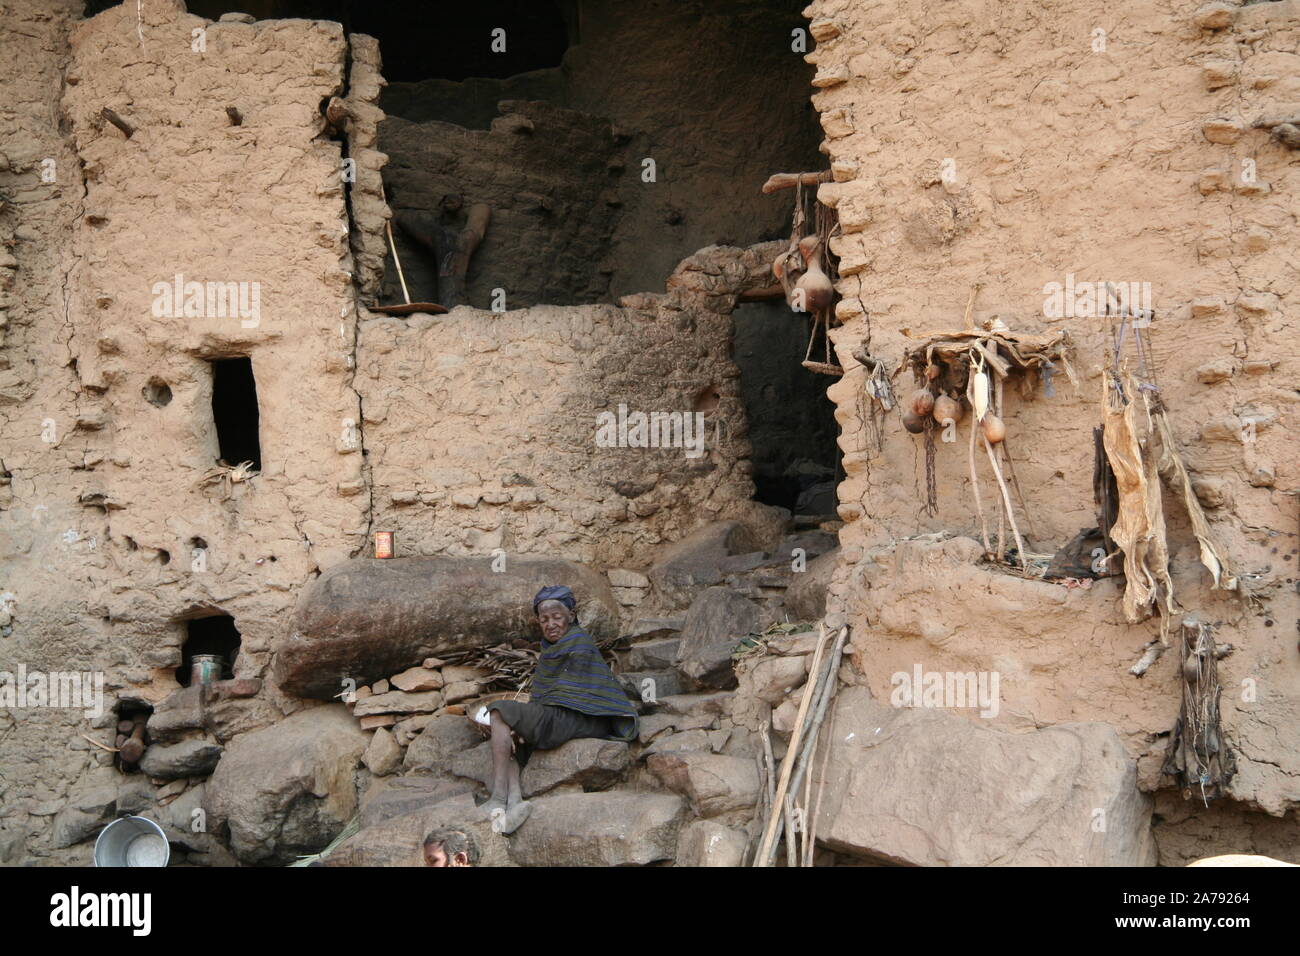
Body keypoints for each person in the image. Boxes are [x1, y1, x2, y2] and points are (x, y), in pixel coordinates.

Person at [483, 585, 638, 834]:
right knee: (512, 739)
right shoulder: (550, 649)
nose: (550, 624)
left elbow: (572, 694)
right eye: (544, 619)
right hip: (564, 715)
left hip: (583, 717)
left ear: (572, 616)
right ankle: (515, 803)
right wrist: (527, 722)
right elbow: (548, 693)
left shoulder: (578, 642)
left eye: (557, 617)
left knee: (499, 712)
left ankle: (498, 798)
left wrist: (531, 718)